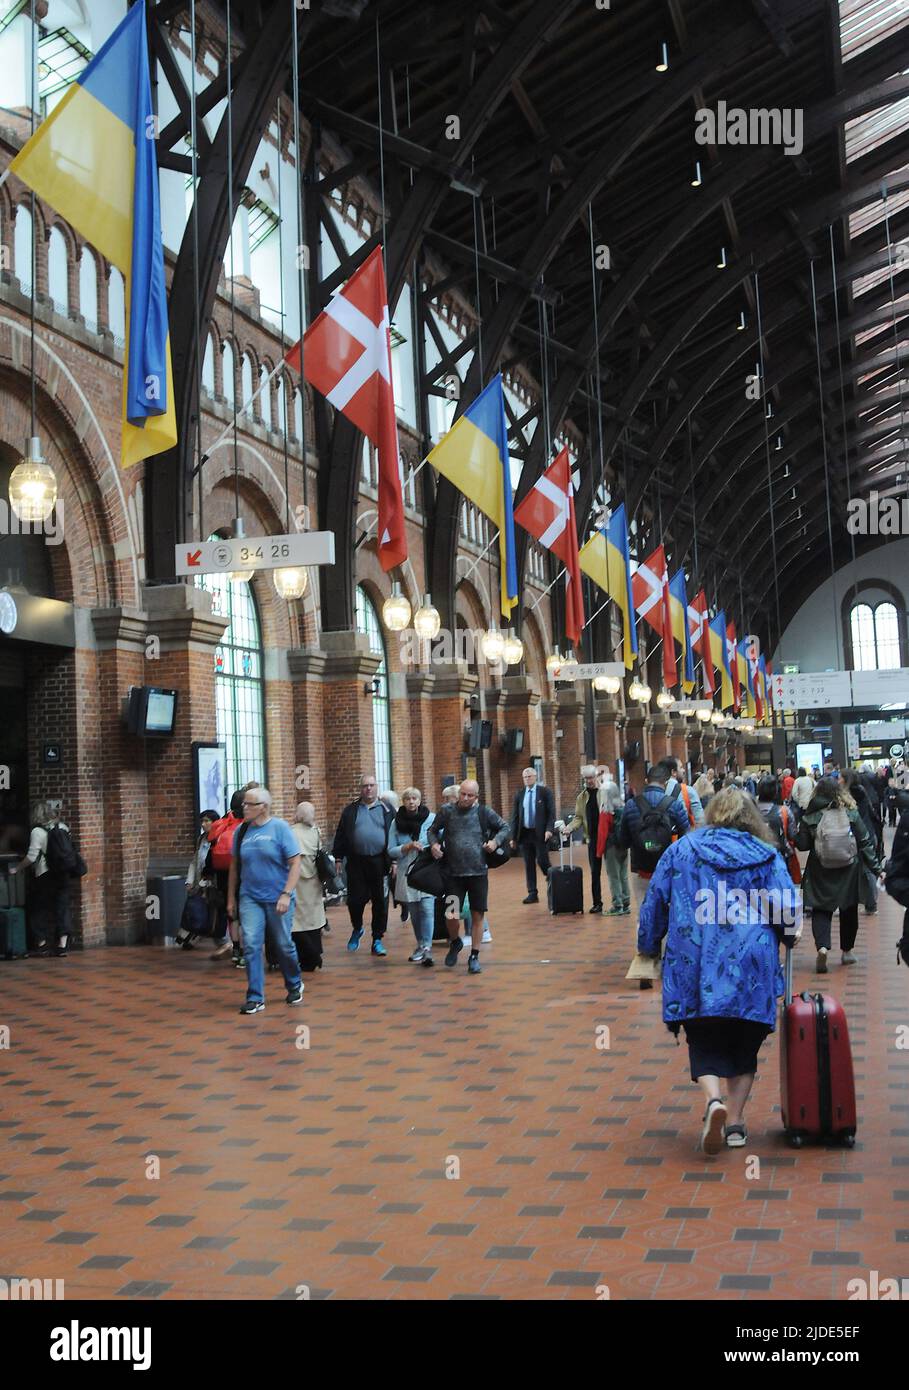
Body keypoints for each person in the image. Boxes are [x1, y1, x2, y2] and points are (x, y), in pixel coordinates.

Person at [638, 786, 800, 1153]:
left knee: (704, 1036)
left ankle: (713, 1101)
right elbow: (788, 911)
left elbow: (654, 903)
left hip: (696, 961)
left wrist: (648, 945)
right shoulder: (765, 855)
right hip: (750, 964)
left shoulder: (680, 851)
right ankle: (738, 1123)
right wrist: (788, 935)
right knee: (745, 1041)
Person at [227, 788, 303, 1014]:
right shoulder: (241, 831)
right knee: (250, 944)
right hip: (250, 897)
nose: (244, 808)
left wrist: (286, 894)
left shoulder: (280, 829)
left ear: (263, 807)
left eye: (249, 804)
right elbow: (234, 867)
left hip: (278, 897)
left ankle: (294, 983)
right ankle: (255, 997)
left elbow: (295, 864)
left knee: (283, 944)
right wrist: (231, 898)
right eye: (244, 804)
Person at [796, 777, 882, 974]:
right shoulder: (850, 812)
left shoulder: (811, 815)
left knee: (820, 908)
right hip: (849, 867)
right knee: (849, 908)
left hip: (820, 868)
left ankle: (823, 947)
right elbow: (865, 841)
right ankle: (847, 952)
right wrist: (876, 868)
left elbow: (803, 845)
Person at [619, 761, 691, 989]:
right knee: (670, 913)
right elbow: (686, 834)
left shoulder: (631, 805)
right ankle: (668, 963)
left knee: (644, 915)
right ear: (666, 782)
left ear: (647, 781)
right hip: (668, 870)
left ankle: (647, 962)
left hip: (640, 869)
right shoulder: (674, 804)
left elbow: (622, 840)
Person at [428, 779, 509, 975]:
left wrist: (495, 842)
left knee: (477, 915)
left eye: (469, 795)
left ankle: (474, 955)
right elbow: (432, 830)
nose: (464, 798)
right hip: (453, 874)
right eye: (462, 794)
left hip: (478, 873)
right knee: (451, 913)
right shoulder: (447, 811)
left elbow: (504, 827)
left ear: (476, 797)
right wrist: (434, 845)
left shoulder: (483, 812)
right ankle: (455, 942)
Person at [332, 774, 395, 957]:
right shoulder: (351, 810)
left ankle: (377, 939)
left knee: (380, 902)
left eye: (371, 785)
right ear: (361, 788)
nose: (368, 788)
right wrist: (337, 858)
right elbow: (341, 834)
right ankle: (357, 927)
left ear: (377, 787)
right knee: (355, 900)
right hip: (356, 861)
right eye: (365, 786)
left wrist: (395, 861)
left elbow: (395, 834)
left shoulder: (387, 809)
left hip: (380, 861)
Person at [9, 800, 74, 957]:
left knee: (39, 908)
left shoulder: (37, 831)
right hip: (63, 873)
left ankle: (41, 943)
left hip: (45, 874)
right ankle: (62, 945)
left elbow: (32, 857)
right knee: (62, 908)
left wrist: (16, 868)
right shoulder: (63, 827)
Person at [208, 783, 260, 966]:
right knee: (247, 913)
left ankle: (236, 949)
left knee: (232, 915)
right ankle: (246, 951)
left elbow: (210, 851)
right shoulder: (248, 826)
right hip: (243, 875)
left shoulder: (222, 823)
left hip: (223, 877)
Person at [387, 787, 435, 964]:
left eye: (415, 798)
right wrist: (406, 847)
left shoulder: (431, 819)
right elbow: (390, 849)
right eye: (408, 799)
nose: (411, 801)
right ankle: (420, 944)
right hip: (407, 870)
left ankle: (428, 948)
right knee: (414, 911)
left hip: (427, 868)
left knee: (427, 908)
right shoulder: (395, 823)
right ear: (403, 802)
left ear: (420, 800)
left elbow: (440, 839)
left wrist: (432, 846)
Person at [556, 766, 611, 915]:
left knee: (613, 871)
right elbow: (578, 817)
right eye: (586, 779)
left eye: (591, 778)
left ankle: (620, 901)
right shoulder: (582, 797)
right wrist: (569, 828)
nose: (589, 781)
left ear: (596, 777)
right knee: (595, 871)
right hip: (593, 838)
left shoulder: (605, 792)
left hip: (609, 837)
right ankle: (597, 903)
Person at [508, 767, 555, 905]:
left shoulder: (545, 792)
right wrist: (513, 837)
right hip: (525, 833)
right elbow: (515, 817)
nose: (527, 779)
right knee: (528, 863)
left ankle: (552, 878)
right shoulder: (520, 794)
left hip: (540, 833)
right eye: (525, 777)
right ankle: (532, 892)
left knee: (542, 860)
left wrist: (549, 829)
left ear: (535, 777)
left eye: (530, 776)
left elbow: (551, 813)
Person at [290, 802, 327, 973]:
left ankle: (307, 956)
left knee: (296, 922)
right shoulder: (315, 832)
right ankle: (314, 954)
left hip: (295, 881)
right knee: (313, 921)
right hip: (313, 881)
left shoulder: (289, 833)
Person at [176, 809, 218, 949]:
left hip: (214, 885)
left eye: (207, 821)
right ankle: (189, 937)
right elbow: (195, 862)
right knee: (195, 910)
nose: (203, 824)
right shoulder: (201, 839)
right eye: (202, 821)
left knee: (212, 914)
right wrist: (190, 880)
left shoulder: (218, 839)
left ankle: (221, 942)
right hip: (200, 884)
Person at [754, 776, 798, 877]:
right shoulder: (784, 811)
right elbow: (793, 835)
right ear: (776, 792)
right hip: (779, 858)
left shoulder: (749, 812)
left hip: (754, 859)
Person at [664, 758, 705, 827]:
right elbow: (700, 821)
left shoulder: (657, 791)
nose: (684, 770)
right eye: (681, 767)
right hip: (685, 835)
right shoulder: (688, 791)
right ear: (673, 772)